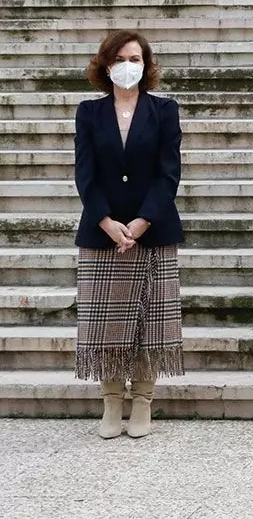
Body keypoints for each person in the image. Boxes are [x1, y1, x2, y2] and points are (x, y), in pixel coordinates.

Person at [74, 30, 184, 439]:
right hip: (102, 233)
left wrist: (141, 222)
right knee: (108, 324)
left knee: (151, 322)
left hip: (152, 230)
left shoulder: (164, 110)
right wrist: (106, 221)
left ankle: (142, 402)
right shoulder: (89, 112)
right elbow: (84, 173)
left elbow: (168, 172)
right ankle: (110, 402)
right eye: (120, 58)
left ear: (146, 64)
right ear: (106, 64)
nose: (128, 65)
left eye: (136, 58)